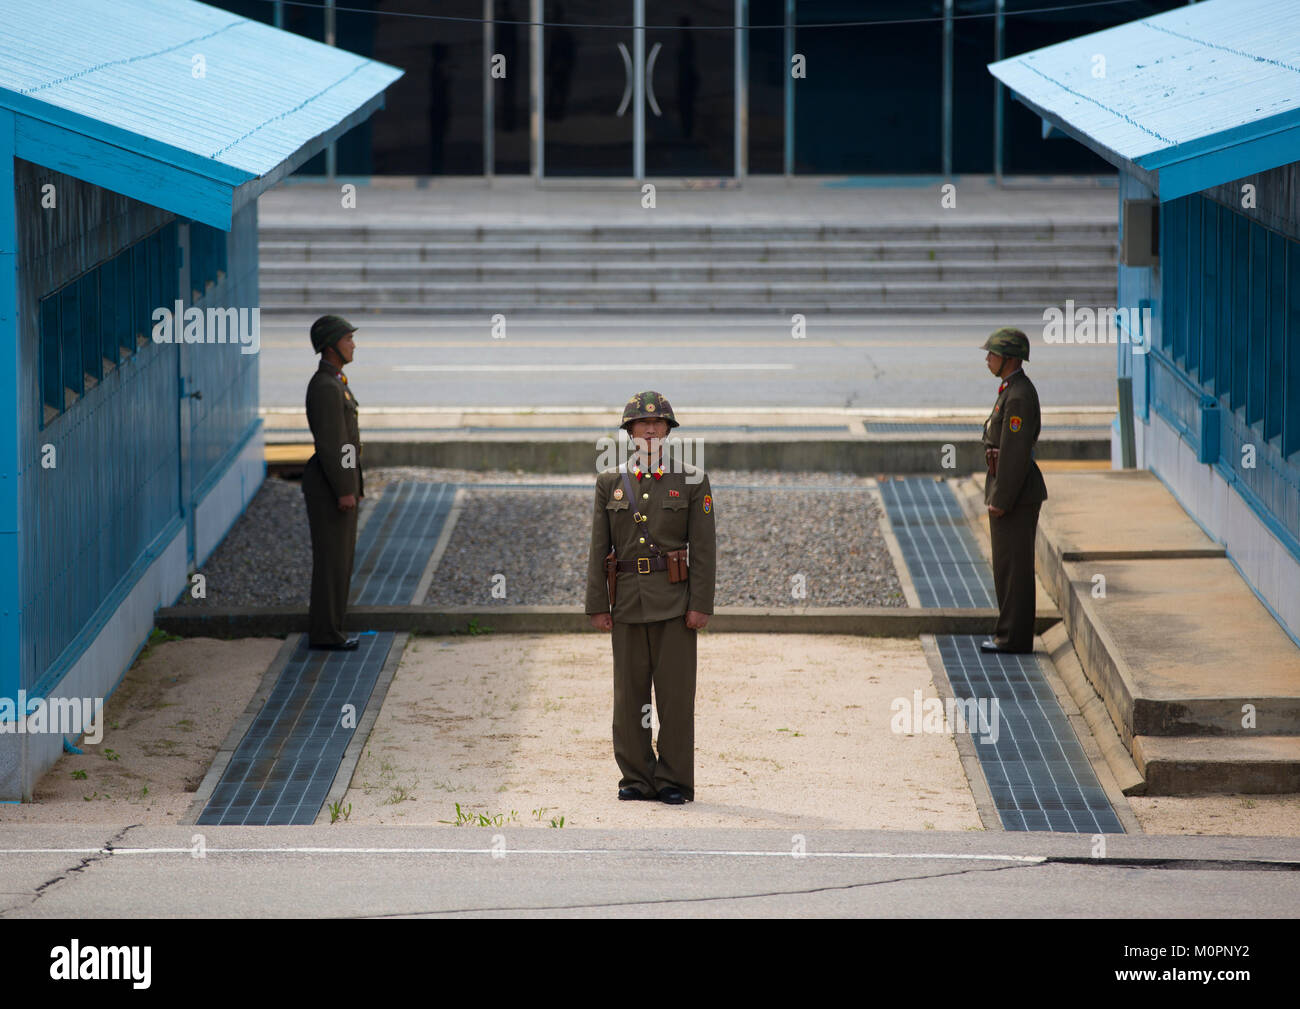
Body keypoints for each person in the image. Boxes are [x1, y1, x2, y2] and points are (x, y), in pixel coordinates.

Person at [585, 392, 716, 804]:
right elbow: (597, 547)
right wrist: (597, 605)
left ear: (669, 431)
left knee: (676, 698)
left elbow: (705, 549)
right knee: (629, 697)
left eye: (658, 423)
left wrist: (701, 604)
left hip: (675, 605)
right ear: (628, 432)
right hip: (625, 603)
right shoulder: (609, 482)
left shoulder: (692, 480)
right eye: (642, 423)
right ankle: (636, 778)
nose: (651, 429)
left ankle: (674, 780)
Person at [980, 327, 1047, 654]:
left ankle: (1013, 638)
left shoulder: (1018, 395)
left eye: (992, 354)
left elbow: (1014, 453)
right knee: (1007, 568)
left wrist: (1001, 500)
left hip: (1015, 495)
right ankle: (1007, 634)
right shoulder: (1011, 389)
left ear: (1008, 358)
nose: (988, 360)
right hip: (1009, 491)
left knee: (1014, 570)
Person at [303, 315, 364, 651]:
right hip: (330, 488)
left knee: (339, 561)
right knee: (332, 562)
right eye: (348, 339)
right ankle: (326, 633)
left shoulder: (335, 381)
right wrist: (345, 489)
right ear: (331, 345)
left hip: (336, 485)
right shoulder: (327, 386)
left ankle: (332, 629)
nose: (353, 344)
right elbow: (335, 445)